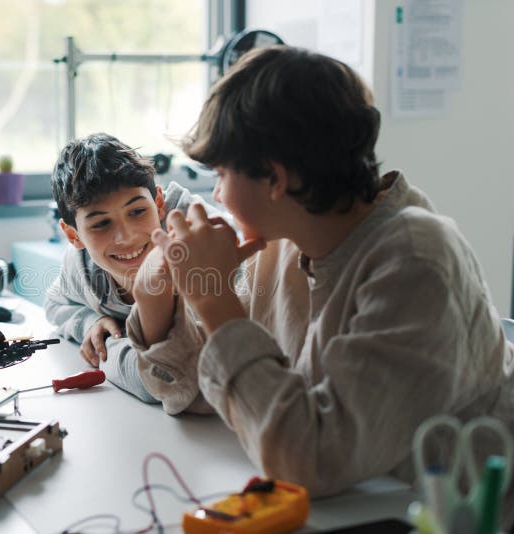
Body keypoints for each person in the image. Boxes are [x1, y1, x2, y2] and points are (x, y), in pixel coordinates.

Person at [126, 45, 514, 525]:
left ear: (275, 178)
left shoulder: (414, 258)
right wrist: (156, 304)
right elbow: (200, 394)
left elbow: (310, 458)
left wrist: (213, 301)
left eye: (222, 174)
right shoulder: (287, 241)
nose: (218, 195)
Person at [44, 133, 218, 402]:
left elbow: (165, 380)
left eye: (137, 212)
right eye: (101, 224)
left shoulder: (198, 248)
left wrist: (109, 350)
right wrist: (92, 322)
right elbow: (55, 304)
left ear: (159, 204)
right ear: (74, 236)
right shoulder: (83, 264)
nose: (126, 237)